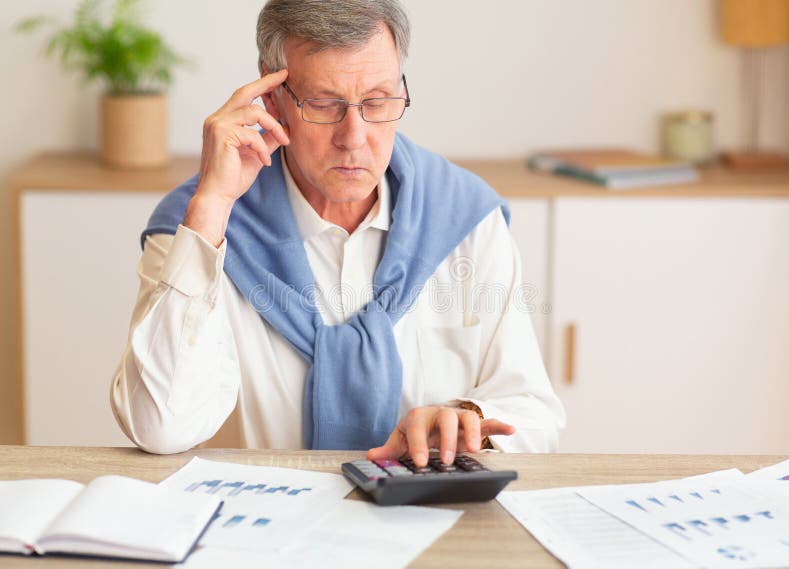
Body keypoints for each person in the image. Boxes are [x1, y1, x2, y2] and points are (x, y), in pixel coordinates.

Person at [111, 0, 565, 467]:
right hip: (258, 526)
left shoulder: (466, 218)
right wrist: (210, 211)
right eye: (325, 105)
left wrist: (465, 421)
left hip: (429, 523)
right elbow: (160, 424)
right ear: (273, 100)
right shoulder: (201, 226)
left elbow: (533, 411)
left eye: (377, 101)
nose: (354, 137)